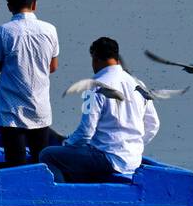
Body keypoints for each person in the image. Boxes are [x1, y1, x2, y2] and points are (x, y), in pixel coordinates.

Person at [40, 37, 159, 183]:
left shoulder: (94, 86)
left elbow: (86, 132)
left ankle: (59, 195)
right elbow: (153, 125)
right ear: (116, 57)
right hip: (133, 159)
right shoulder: (138, 84)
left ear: (95, 58)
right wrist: (134, 146)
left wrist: (67, 143)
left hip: (106, 158)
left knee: (48, 154)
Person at [0, 0, 58, 166]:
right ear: (34, 4)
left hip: (12, 112)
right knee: (40, 163)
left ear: (9, 6)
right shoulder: (50, 30)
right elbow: (53, 67)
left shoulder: (3, 31)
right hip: (40, 110)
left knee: (14, 163)